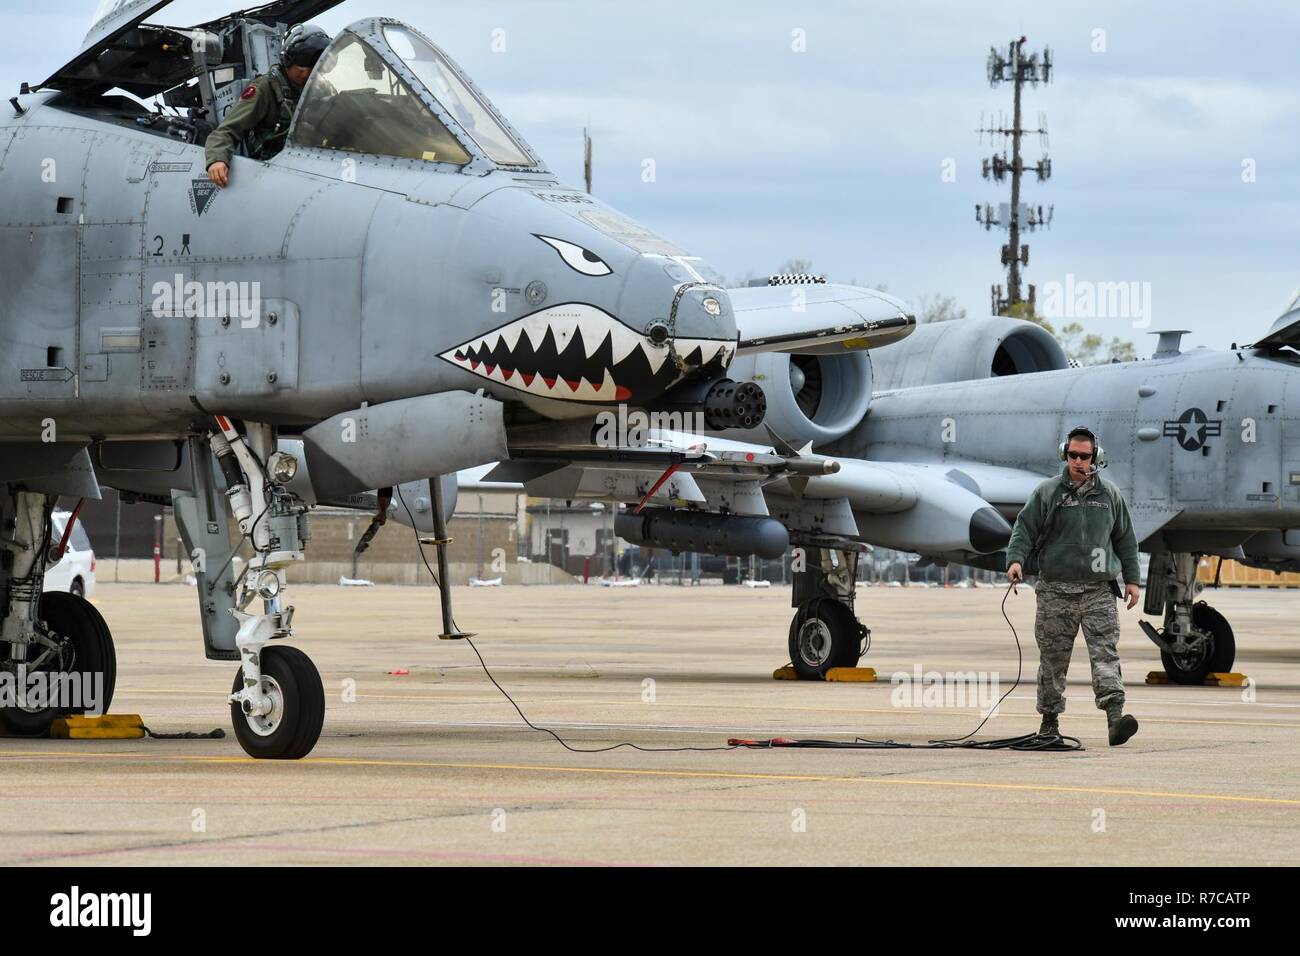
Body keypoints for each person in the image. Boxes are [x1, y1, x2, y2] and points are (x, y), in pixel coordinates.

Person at [1004, 426, 1142, 746]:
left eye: (1085, 456)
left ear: (1097, 458)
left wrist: (1132, 581)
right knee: (1052, 660)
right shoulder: (1048, 493)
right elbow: (1024, 528)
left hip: (1098, 591)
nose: (1078, 461)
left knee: (1105, 655)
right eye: (1073, 455)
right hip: (1056, 590)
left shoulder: (1109, 496)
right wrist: (1016, 561)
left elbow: (1125, 539)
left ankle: (1115, 719)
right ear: (1064, 455)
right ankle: (1049, 723)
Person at [204, 24, 331, 188]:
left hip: (310, 168)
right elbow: (226, 131)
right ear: (287, 61)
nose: (306, 74)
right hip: (269, 172)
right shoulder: (265, 88)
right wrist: (217, 160)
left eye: (313, 69)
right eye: (301, 67)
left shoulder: (321, 89)